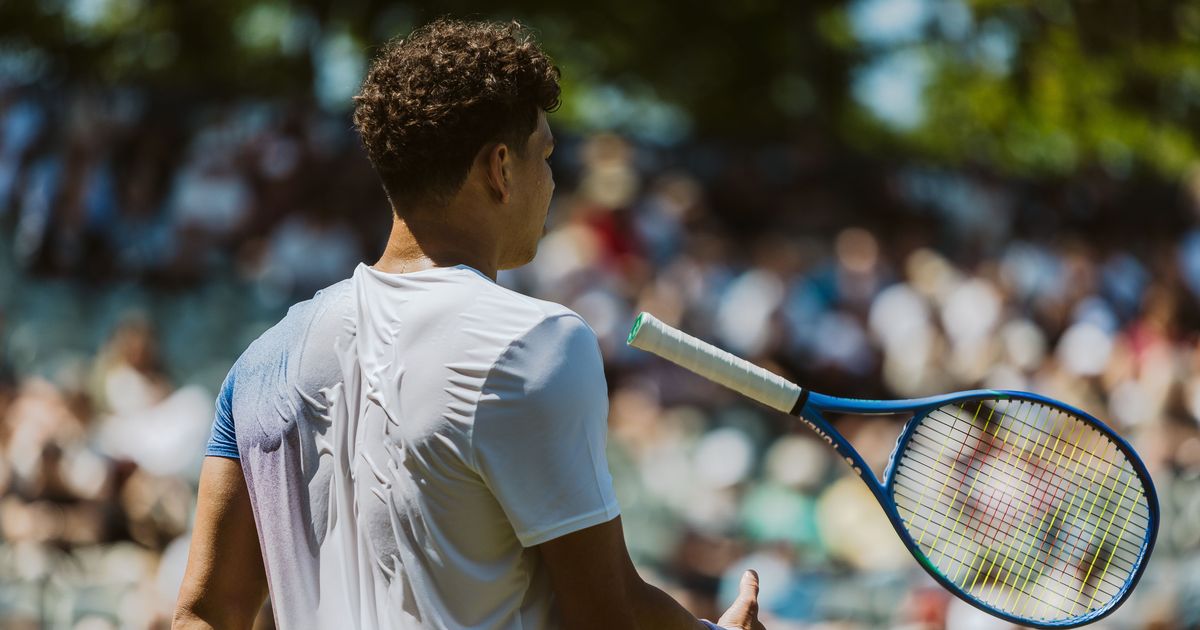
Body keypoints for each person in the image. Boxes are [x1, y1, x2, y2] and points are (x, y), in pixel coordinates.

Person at [172, 18, 765, 630]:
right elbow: (605, 613)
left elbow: (205, 614)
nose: (554, 182)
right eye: (547, 156)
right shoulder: (540, 343)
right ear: (500, 168)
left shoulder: (261, 360)